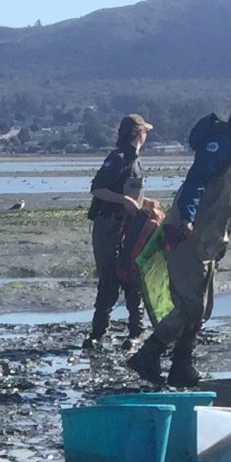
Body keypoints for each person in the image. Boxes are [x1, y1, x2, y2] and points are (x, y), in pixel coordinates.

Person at [130, 95, 231, 390]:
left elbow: (226, 206)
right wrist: (186, 219)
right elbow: (195, 182)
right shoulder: (218, 145)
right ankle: (148, 354)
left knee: (202, 308)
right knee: (190, 306)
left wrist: (221, 243)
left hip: (211, 240)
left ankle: (182, 365)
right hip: (187, 235)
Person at [84, 112, 152, 352]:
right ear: (137, 133)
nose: (147, 136)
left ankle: (136, 332)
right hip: (108, 225)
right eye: (145, 131)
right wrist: (123, 200)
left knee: (133, 276)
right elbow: (97, 189)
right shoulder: (118, 158)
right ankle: (97, 332)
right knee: (109, 278)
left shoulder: (137, 160)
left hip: (132, 227)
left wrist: (146, 205)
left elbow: (136, 196)